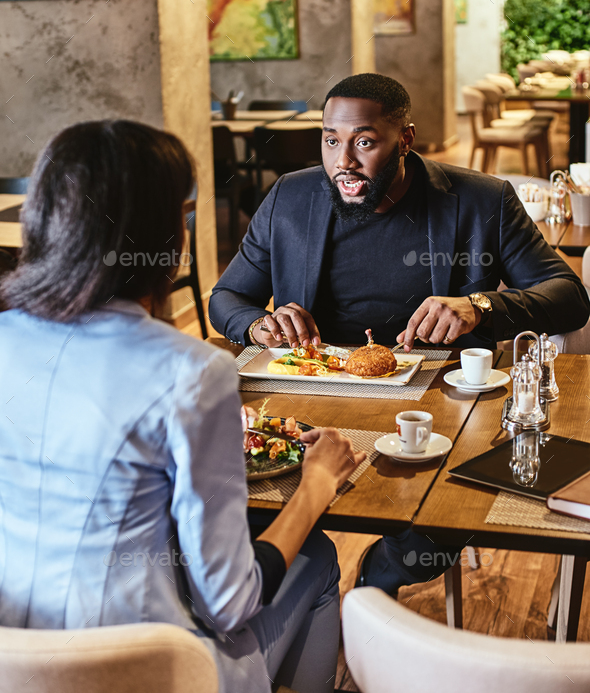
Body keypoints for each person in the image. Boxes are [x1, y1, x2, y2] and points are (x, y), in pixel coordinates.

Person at [0, 119, 366, 693]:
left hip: (14, 659)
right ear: (168, 233)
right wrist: (317, 484)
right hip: (143, 671)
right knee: (315, 555)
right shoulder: (192, 371)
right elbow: (229, 603)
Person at [210, 72, 590, 594]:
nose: (343, 160)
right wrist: (257, 323)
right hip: (313, 394)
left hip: (440, 401)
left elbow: (569, 295)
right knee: (234, 501)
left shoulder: (482, 200)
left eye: (364, 142)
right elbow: (226, 299)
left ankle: (370, 588)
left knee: (434, 526)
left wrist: (481, 306)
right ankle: (292, 593)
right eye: (331, 140)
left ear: (404, 139)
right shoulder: (290, 198)